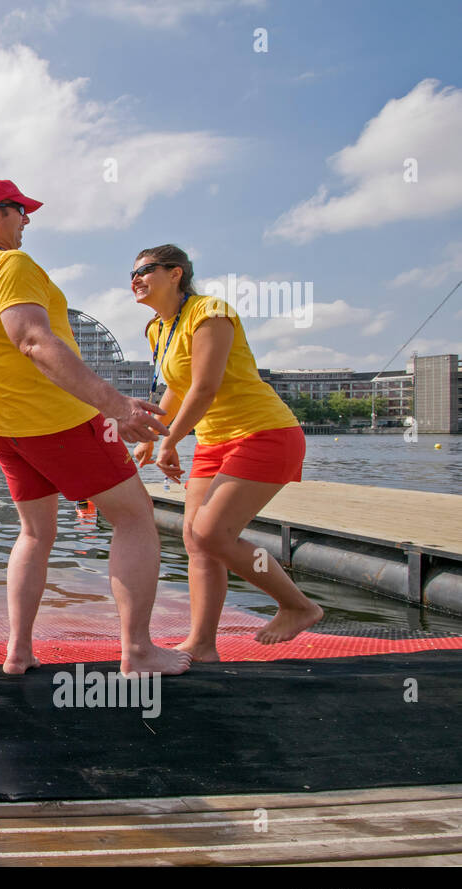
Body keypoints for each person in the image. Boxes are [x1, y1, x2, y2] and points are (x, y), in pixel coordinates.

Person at [0, 180, 190, 676]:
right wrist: (116, 406)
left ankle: (18, 652)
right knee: (134, 518)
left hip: (5, 426)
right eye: (20, 211)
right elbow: (34, 341)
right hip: (54, 419)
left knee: (35, 532)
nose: (27, 220)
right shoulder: (10, 264)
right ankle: (139, 652)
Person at [131, 244, 322, 657]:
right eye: (132, 274)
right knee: (196, 540)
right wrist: (151, 434)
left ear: (176, 273)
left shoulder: (209, 312)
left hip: (264, 432)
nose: (136, 279)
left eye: (146, 270)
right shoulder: (157, 328)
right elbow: (177, 389)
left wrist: (170, 440)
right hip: (215, 441)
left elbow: (205, 386)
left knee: (212, 533)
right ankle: (202, 645)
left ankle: (297, 605)